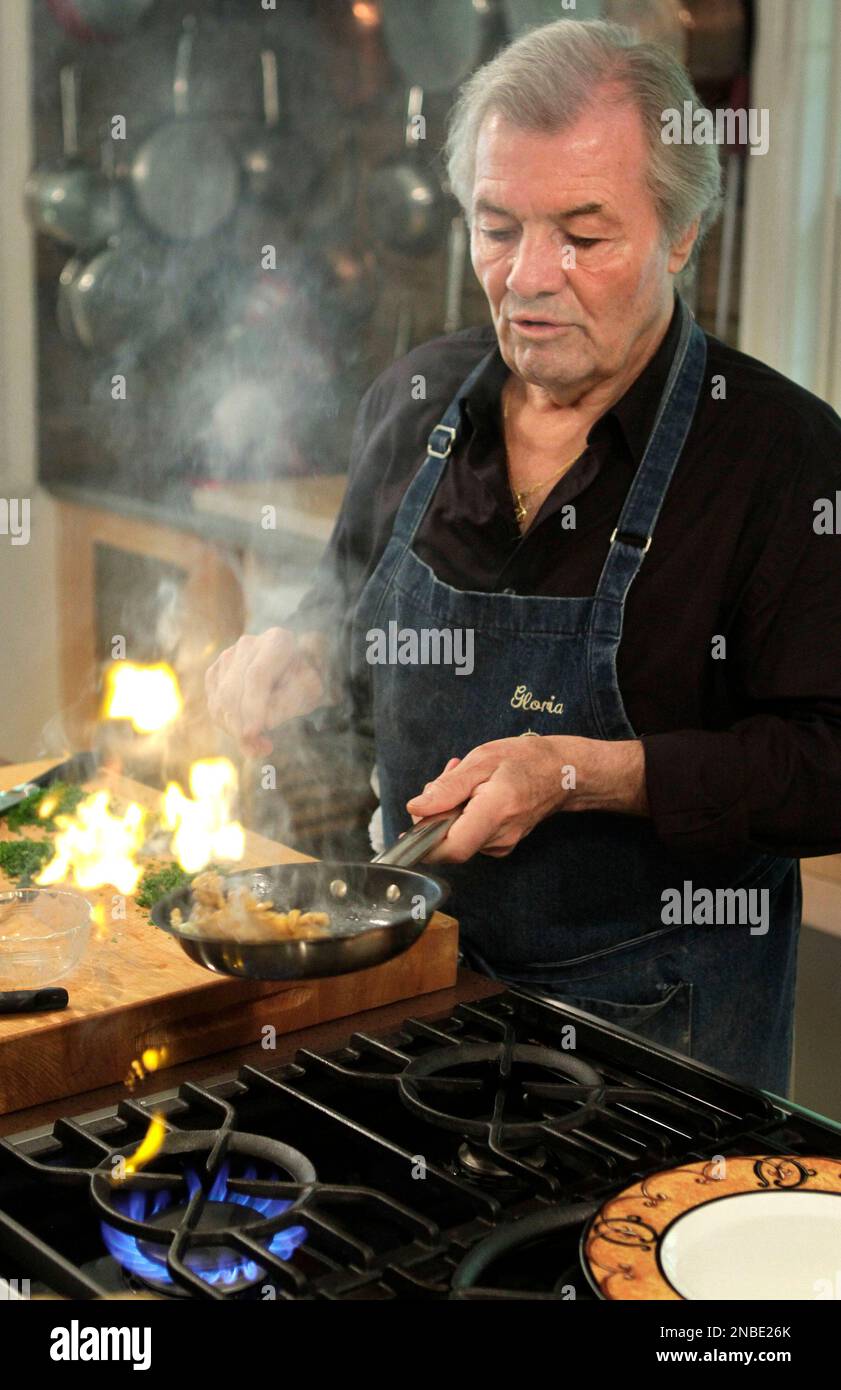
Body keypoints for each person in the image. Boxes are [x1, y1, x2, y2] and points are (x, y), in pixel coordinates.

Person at [206, 20, 841, 1094]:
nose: (528, 278)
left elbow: (830, 766)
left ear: (682, 235)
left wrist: (587, 774)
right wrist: (293, 664)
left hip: (663, 1046)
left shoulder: (780, 456)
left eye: (584, 237)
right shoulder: (413, 404)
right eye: (497, 227)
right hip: (410, 1005)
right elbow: (347, 640)